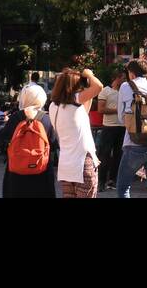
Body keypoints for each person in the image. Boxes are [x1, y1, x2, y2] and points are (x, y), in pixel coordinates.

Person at [115, 58, 147, 198]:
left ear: (131, 73)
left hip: (133, 143)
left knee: (123, 188)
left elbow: (121, 117)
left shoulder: (126, 87)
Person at [48, 67, 104, 198]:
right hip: (82, 162)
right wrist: (89, 75)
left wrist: (87, 88)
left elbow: (85, 111)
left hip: (66, 165)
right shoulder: (75, 100)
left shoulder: (53, 106)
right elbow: (99, 87)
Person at [2, 83, 58, 199]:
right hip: (41, 171)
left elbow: (2, 137)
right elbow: (54, 142)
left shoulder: (15, 118)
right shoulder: (47, 119)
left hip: (16, 172)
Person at [96, 69, 126, 192]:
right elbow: (101, 109)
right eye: (123, 78)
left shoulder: (125, 92)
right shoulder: (105, 92)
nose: (124, 80)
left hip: (122, 127)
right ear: (117, 78)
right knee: (105, 155)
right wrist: (118, 110)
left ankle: (113, 180)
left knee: (119, 155)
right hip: (109, 127)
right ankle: (101, 181)